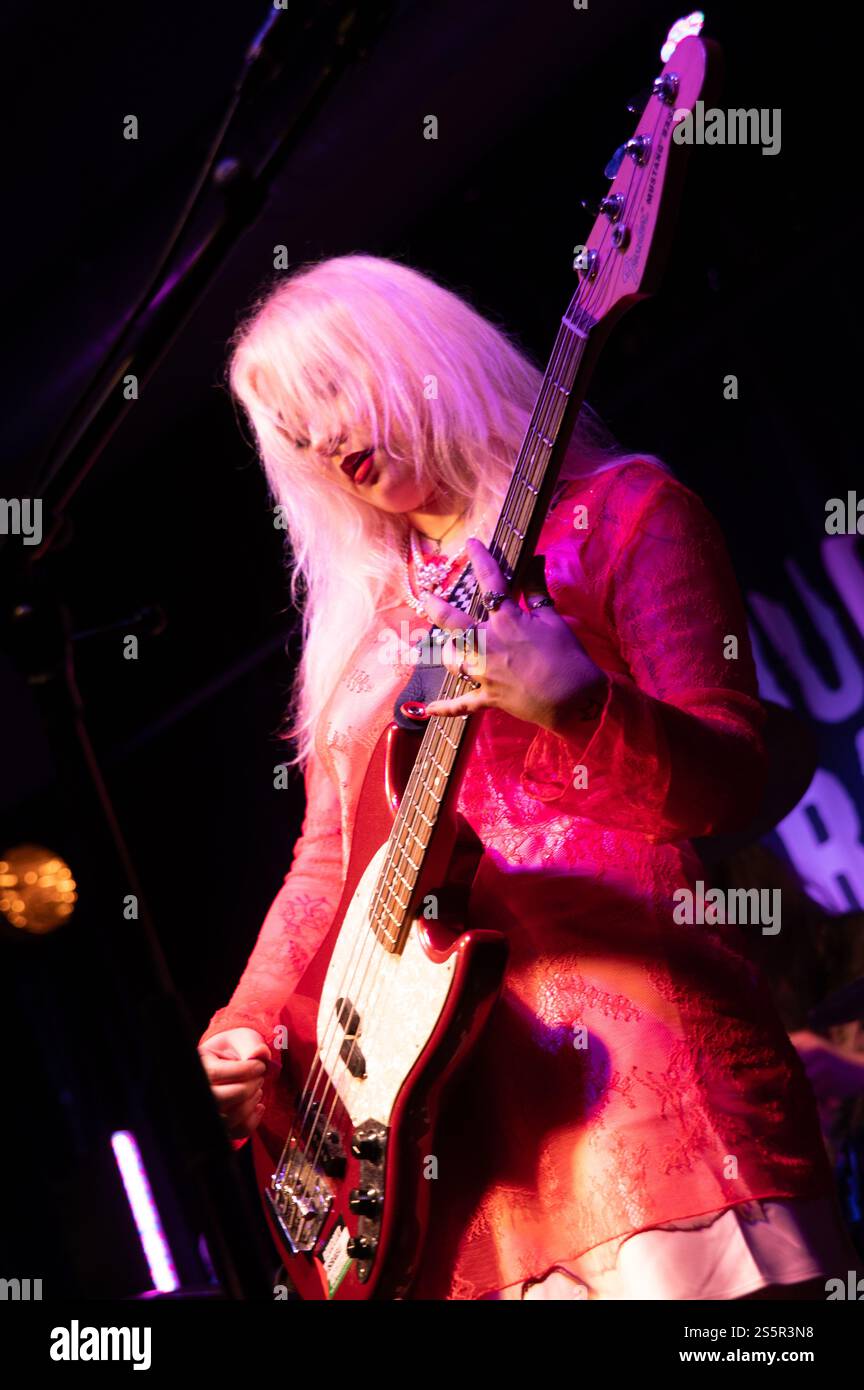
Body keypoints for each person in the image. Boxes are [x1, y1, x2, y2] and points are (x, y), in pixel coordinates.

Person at [197, 252, 859, 1300]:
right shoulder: (351, 643)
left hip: (654, 1093)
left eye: (329, 389)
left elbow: (737, 777)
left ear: (414, 355)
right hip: (461, 1152)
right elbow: (327, 863)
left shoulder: (624, 516)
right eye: (291, 426)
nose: (320, 437)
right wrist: (244, 1023)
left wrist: (579, 710)